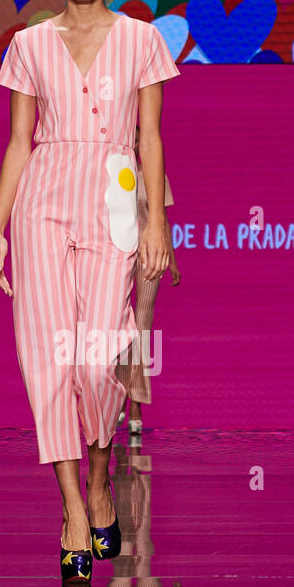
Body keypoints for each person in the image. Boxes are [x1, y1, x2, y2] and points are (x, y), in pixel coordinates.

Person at [0, 0, 180, 583]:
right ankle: (73, 508)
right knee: (48, 363)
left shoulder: (141, 39)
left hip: (115, 198)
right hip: (41, 202)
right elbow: (18, 141)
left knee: (100, 361)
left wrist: (155, 216)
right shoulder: (29, 45)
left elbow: (150, 136)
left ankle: (101, 477)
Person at [115, 123, 181, 438]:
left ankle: (135, 405)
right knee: (116, 327)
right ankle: (116, 398)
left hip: (151, 255)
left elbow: (163, 220)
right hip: (119, 256)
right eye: (133, 138)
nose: (137, 143)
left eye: (141, 138)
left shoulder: (156, 177)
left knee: (140, 328)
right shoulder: (115, 177)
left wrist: (173, 258)